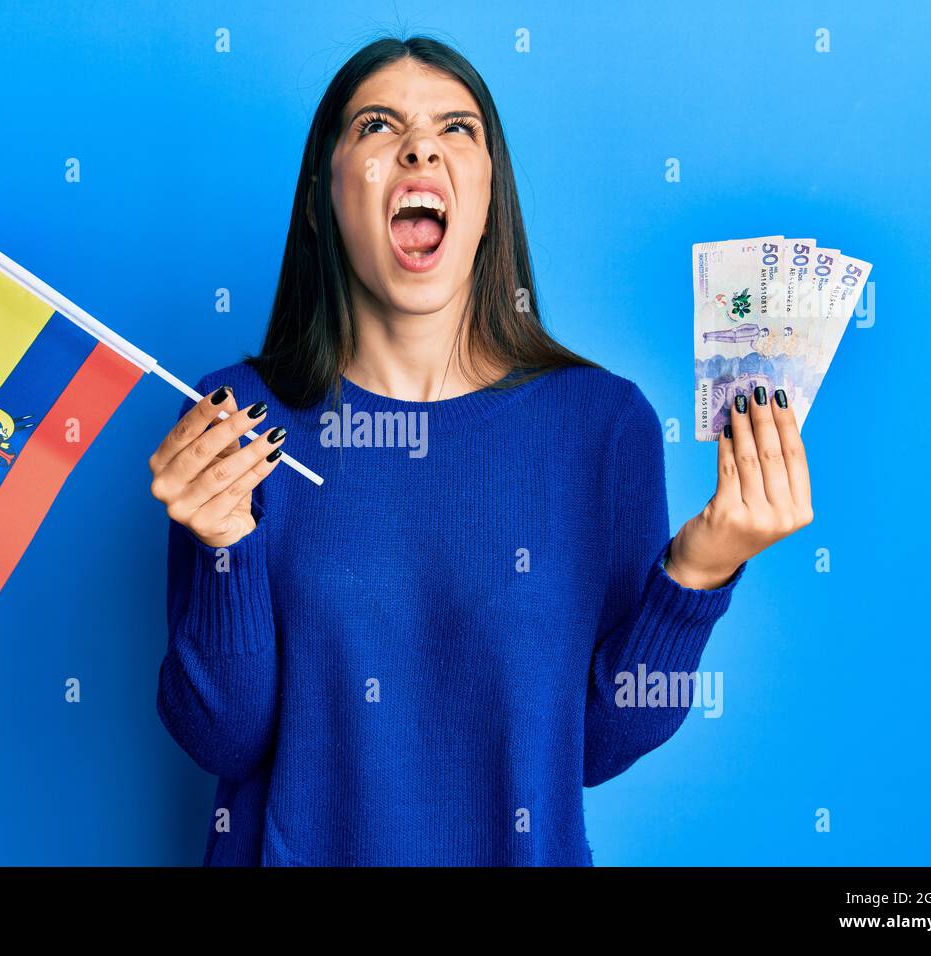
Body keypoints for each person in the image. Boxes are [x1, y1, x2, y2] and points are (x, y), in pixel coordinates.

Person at [148, 35, 812, 866]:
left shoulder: (602, 426)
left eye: (456, 129)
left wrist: (700, 572)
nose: (420, 145)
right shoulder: (235, 420)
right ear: (320, 197)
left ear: (490, 195)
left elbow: (596, 747)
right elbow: (222, 737)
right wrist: (224, 552)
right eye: (377, 126)